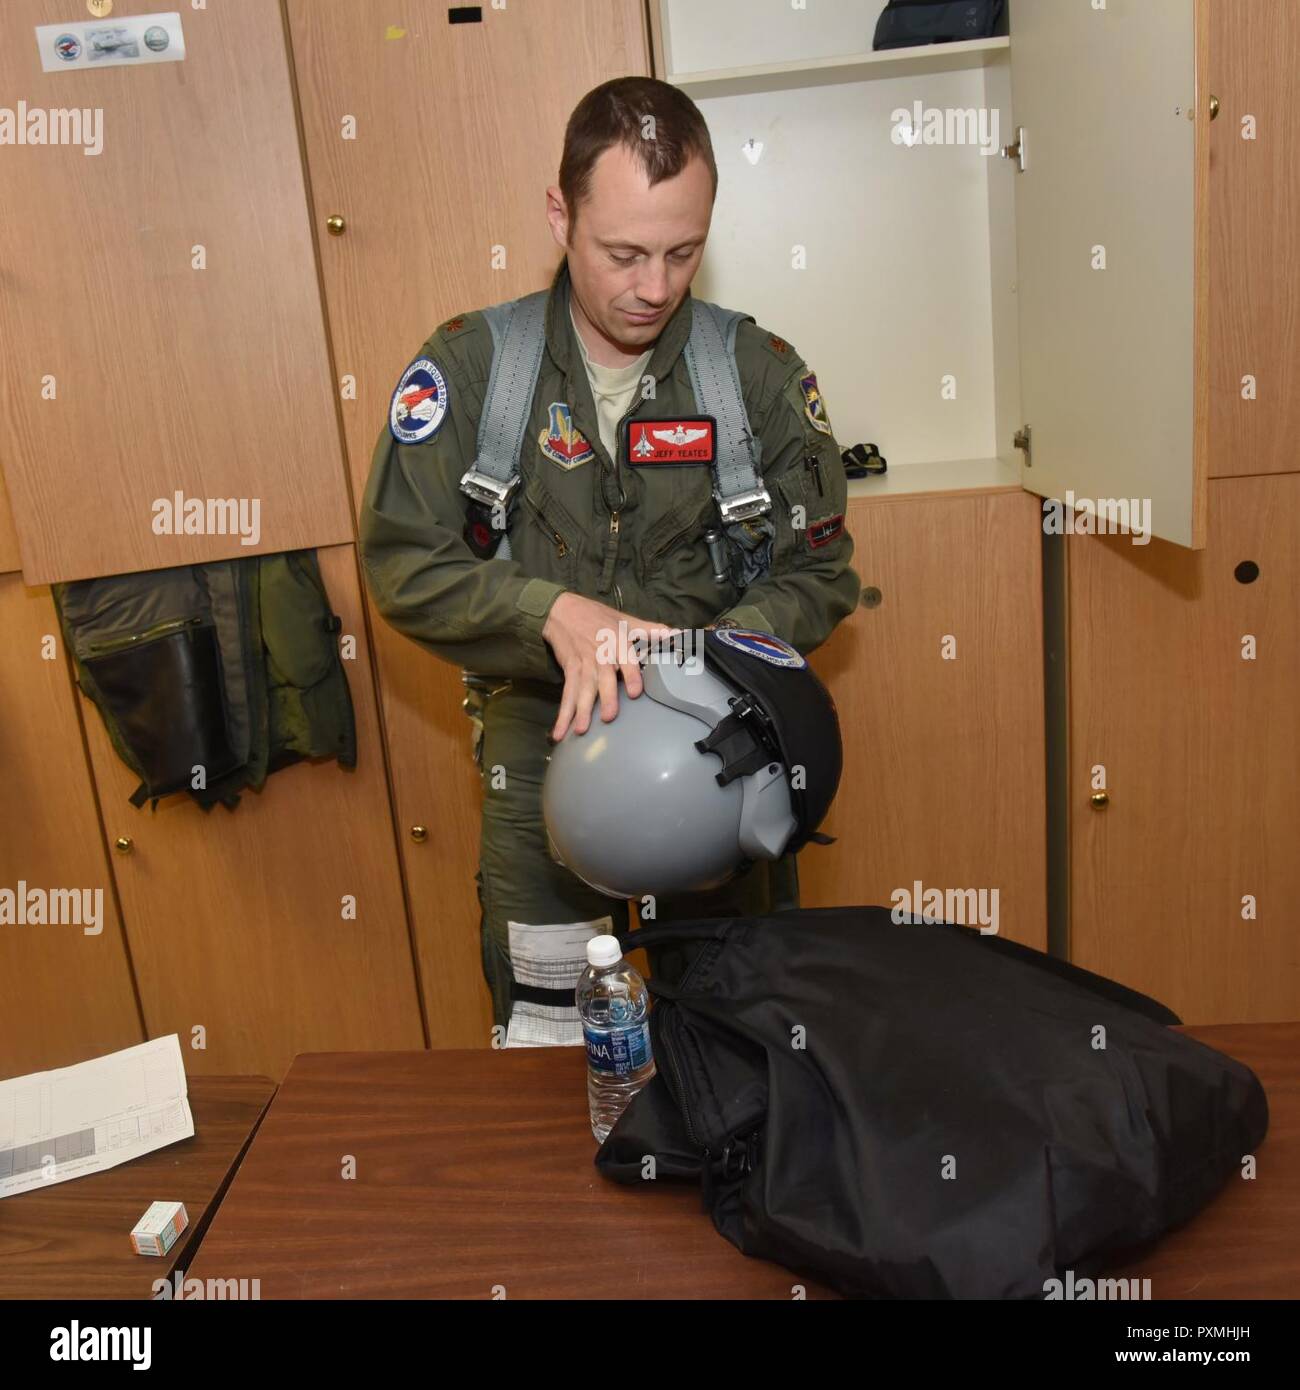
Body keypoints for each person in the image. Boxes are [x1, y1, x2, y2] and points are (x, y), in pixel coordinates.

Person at [359, 77, 860, 1034]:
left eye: (684, 251)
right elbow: (401, 562)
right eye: (624, 252)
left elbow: (822, 574)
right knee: (554, 1041)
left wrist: (710, 656)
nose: (656, 287)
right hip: (543, 747)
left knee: (743, 1030)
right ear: (560, 215)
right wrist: (548, 613)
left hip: (723, 746)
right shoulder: (473, 370)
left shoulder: (755, 376)